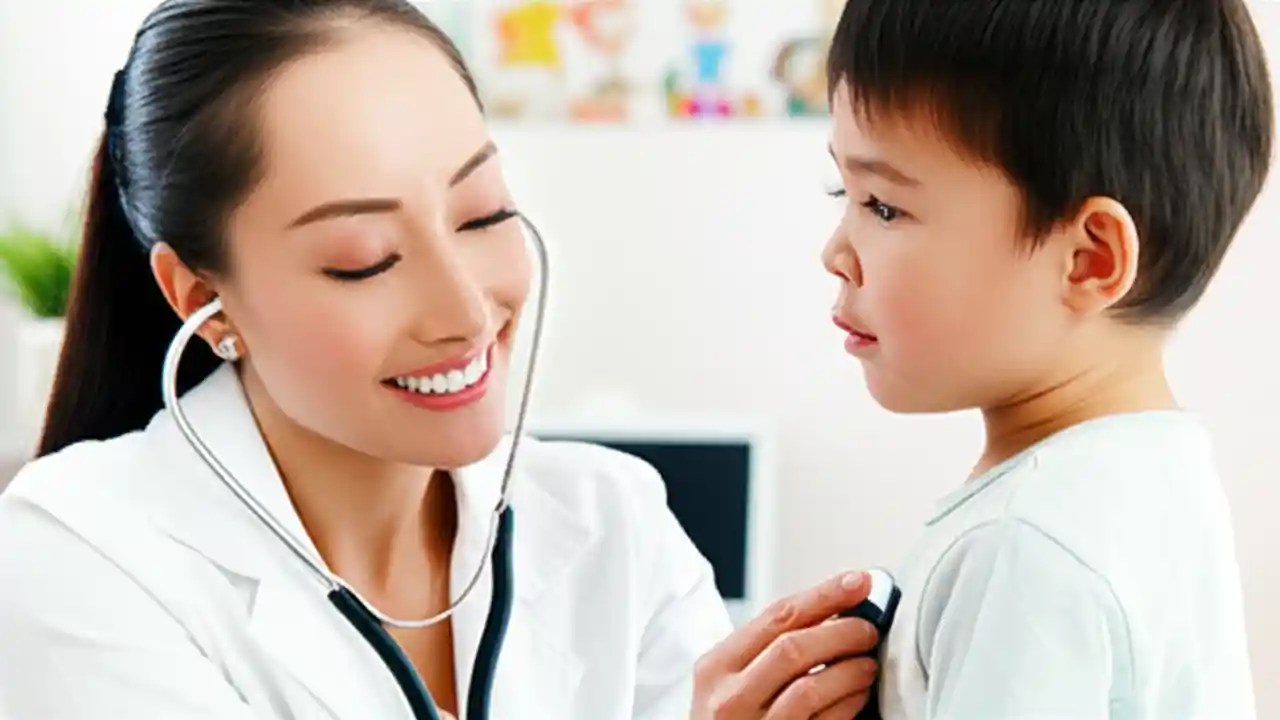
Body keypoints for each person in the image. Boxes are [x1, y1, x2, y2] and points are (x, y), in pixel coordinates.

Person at [0, 1, 881, 718]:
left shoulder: (611, 523)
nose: (465, 311)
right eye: (365, 258)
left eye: (482, 213)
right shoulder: (77, 556)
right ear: (200, 298)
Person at [819, 0, 1273, 717]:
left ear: (1089, 258)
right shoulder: (1156, 478)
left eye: (882, 205)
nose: (835, 254)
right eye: (842, 189)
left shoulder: (1024, 545)